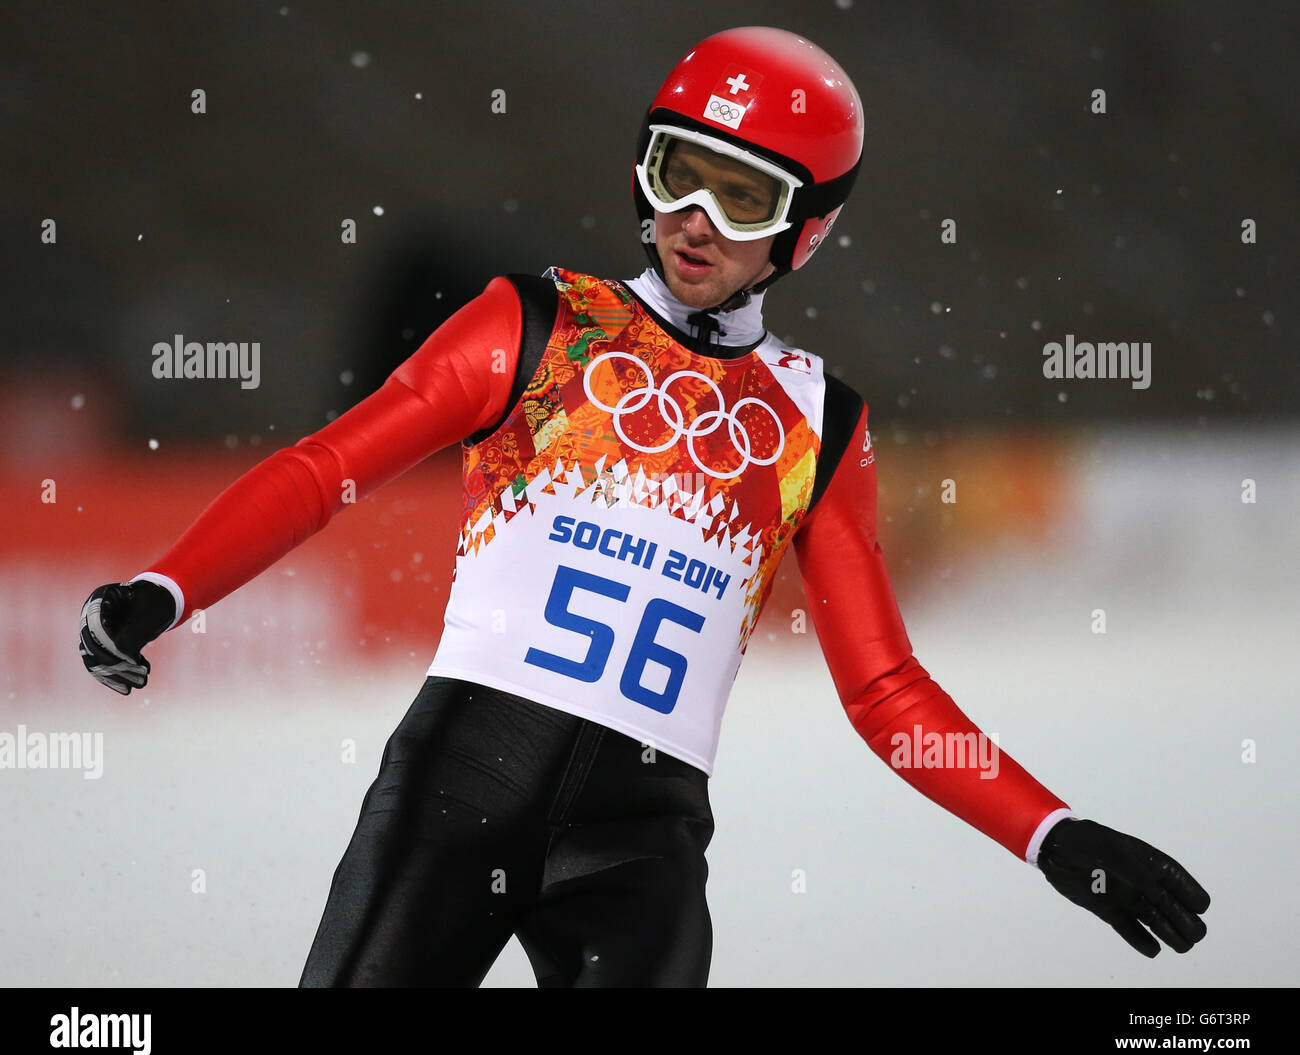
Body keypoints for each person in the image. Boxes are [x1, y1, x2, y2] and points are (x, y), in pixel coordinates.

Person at [78, 26, 1210, 987]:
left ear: (805, 229)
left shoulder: (822, 423)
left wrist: (1054, 834)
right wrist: (166, 588)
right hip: (460, 789)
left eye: (742, 193)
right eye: (677, 170)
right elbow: (327, 469)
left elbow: (885, 691)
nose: (695, 218)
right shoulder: (531, 322)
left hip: (640, 838)